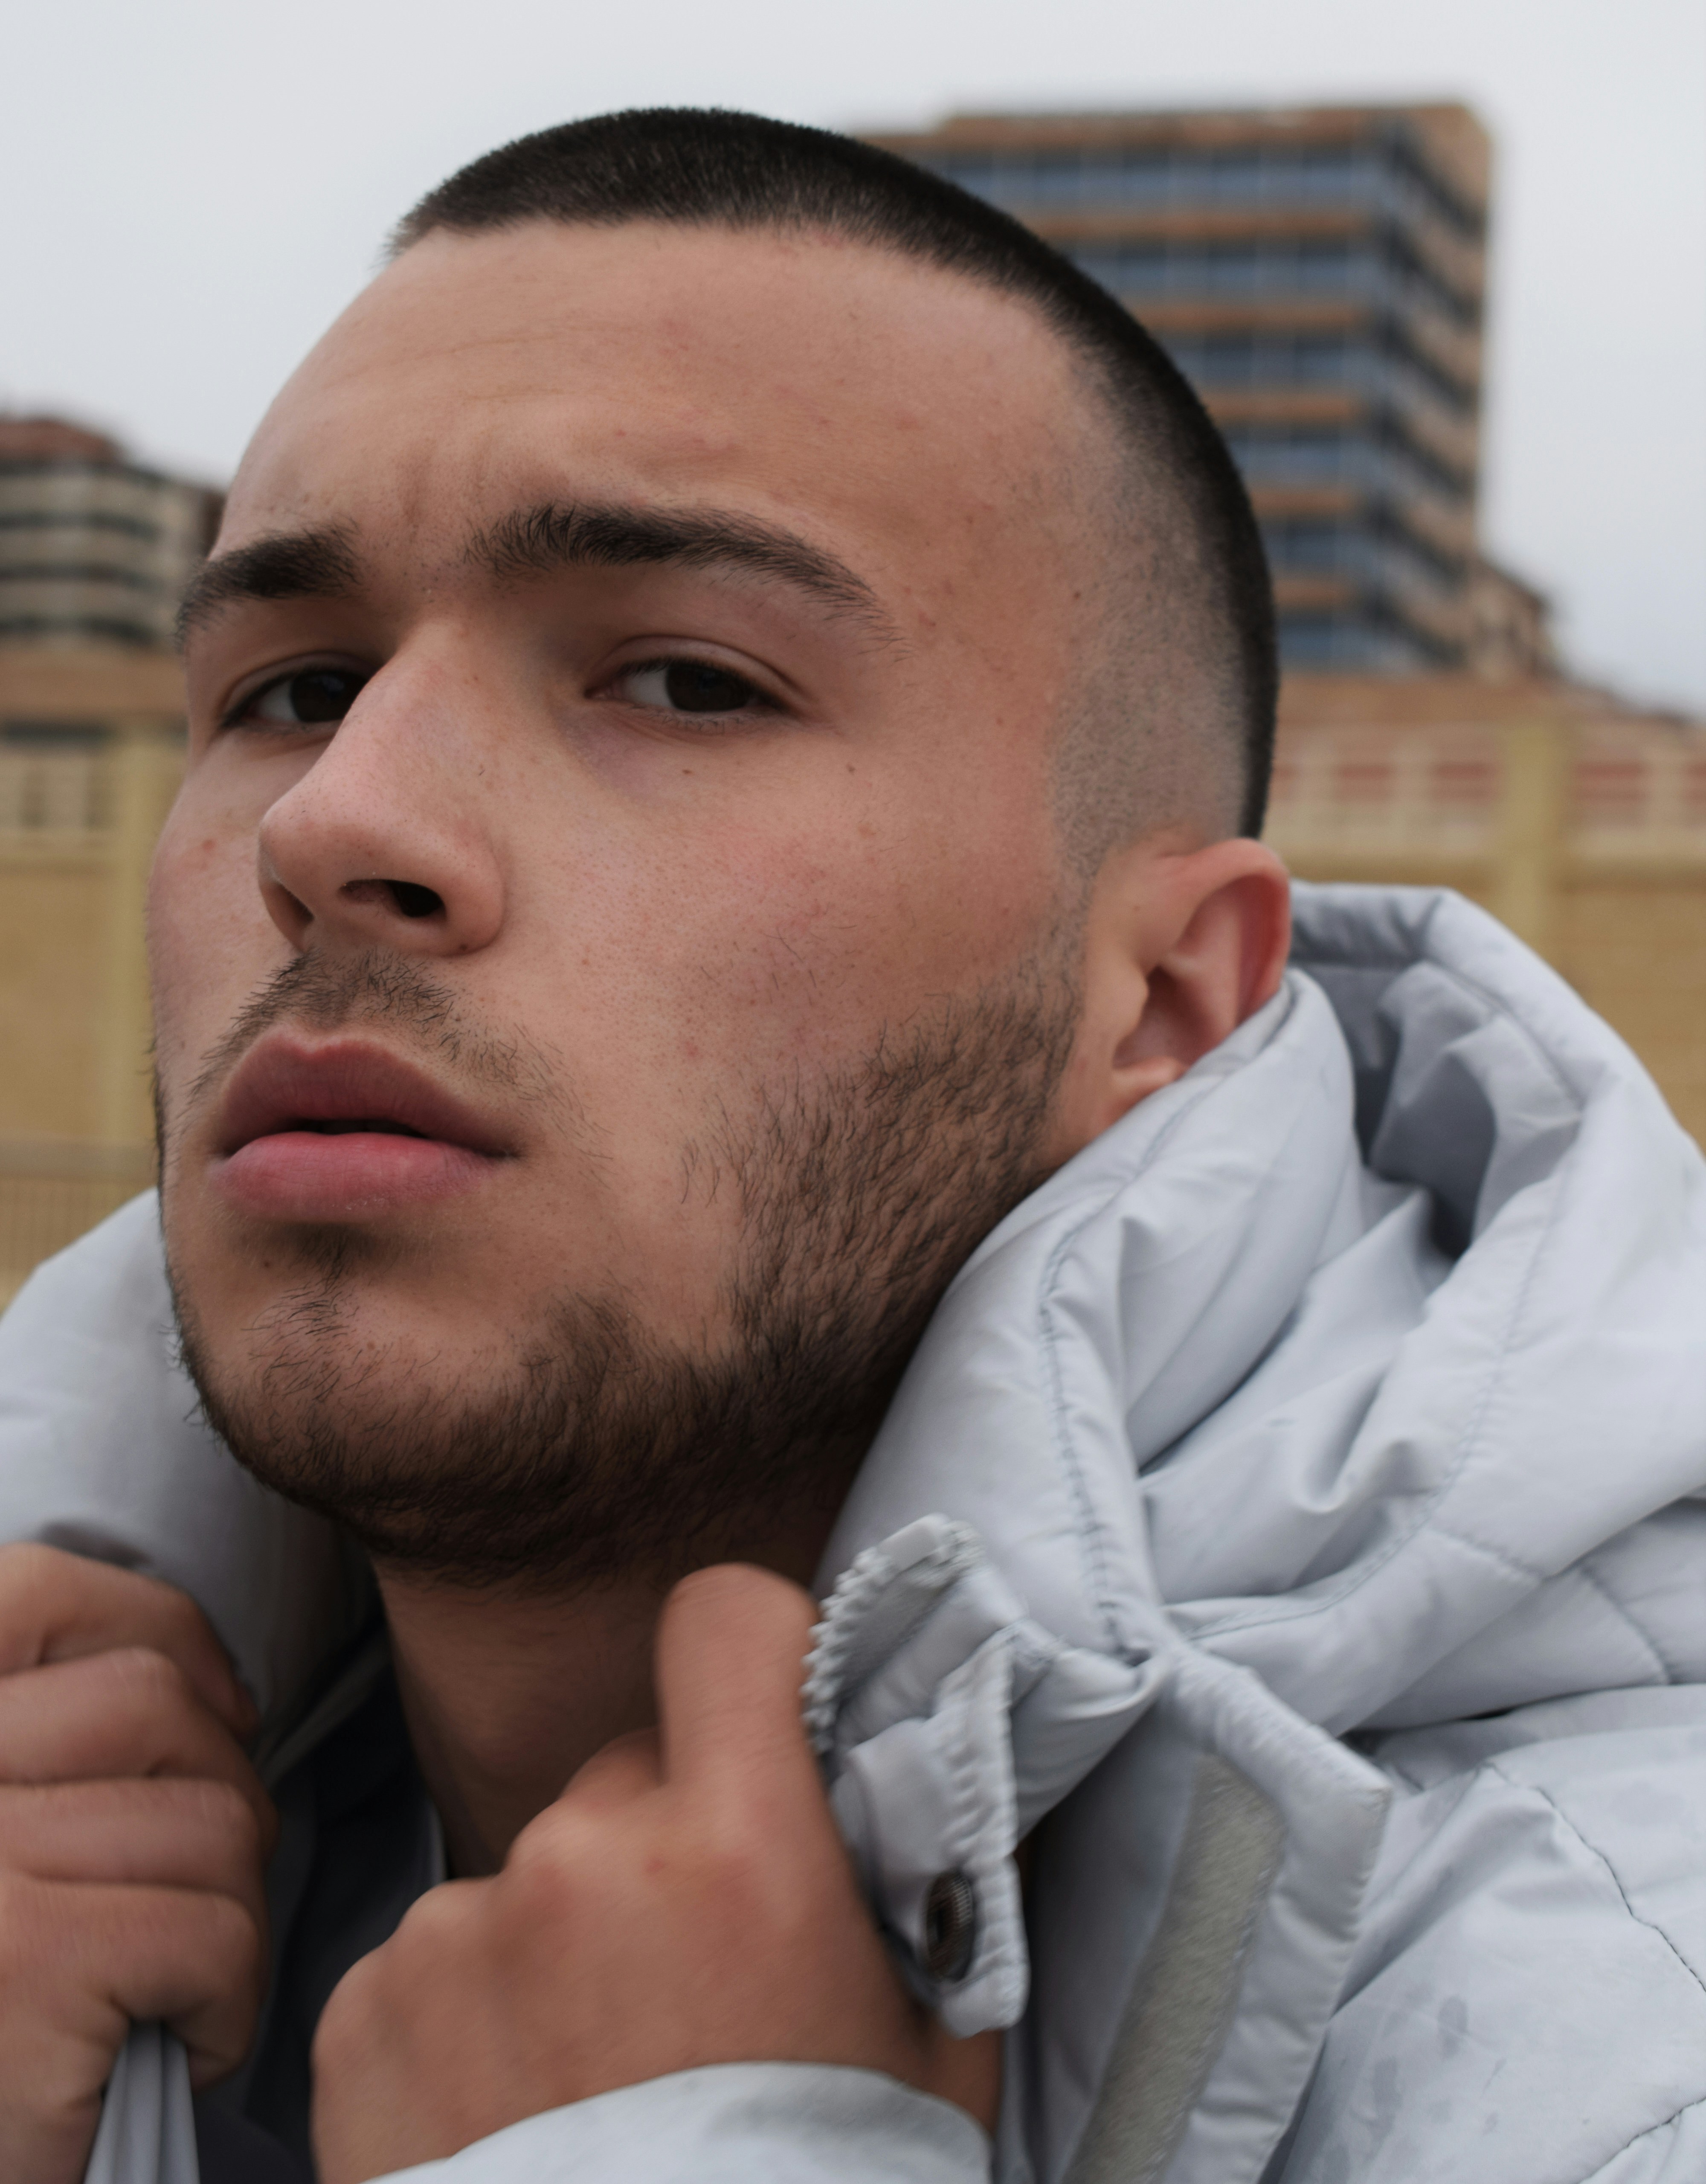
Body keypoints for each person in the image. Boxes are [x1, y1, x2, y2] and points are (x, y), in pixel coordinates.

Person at [0, 110, 1700, 2184]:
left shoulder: (1618, 2041)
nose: (336, 823)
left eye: (686, 681)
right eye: (290, 686)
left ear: (1161, 1000)